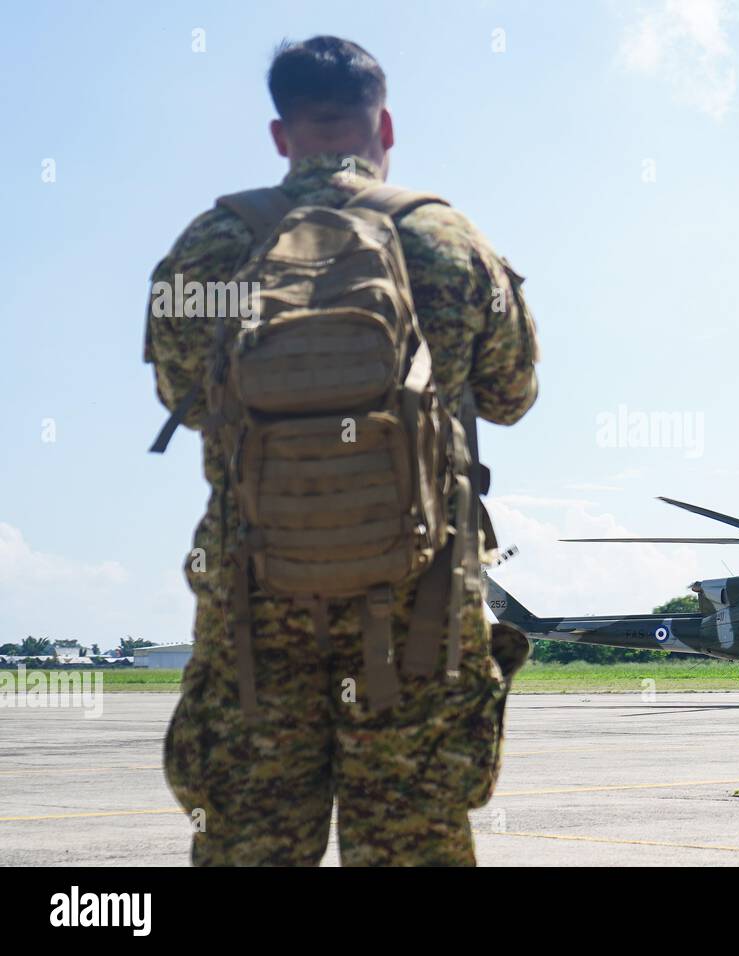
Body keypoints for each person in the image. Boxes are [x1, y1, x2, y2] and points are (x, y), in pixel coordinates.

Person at [144, 36, 539, 866]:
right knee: (412, 842)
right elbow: (512, 397)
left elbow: (178, 395)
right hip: (416, 602)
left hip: (255, 597)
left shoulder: (210, 247)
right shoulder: (445, 238)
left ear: (281, 134)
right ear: (383, 122)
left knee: (250, 840)